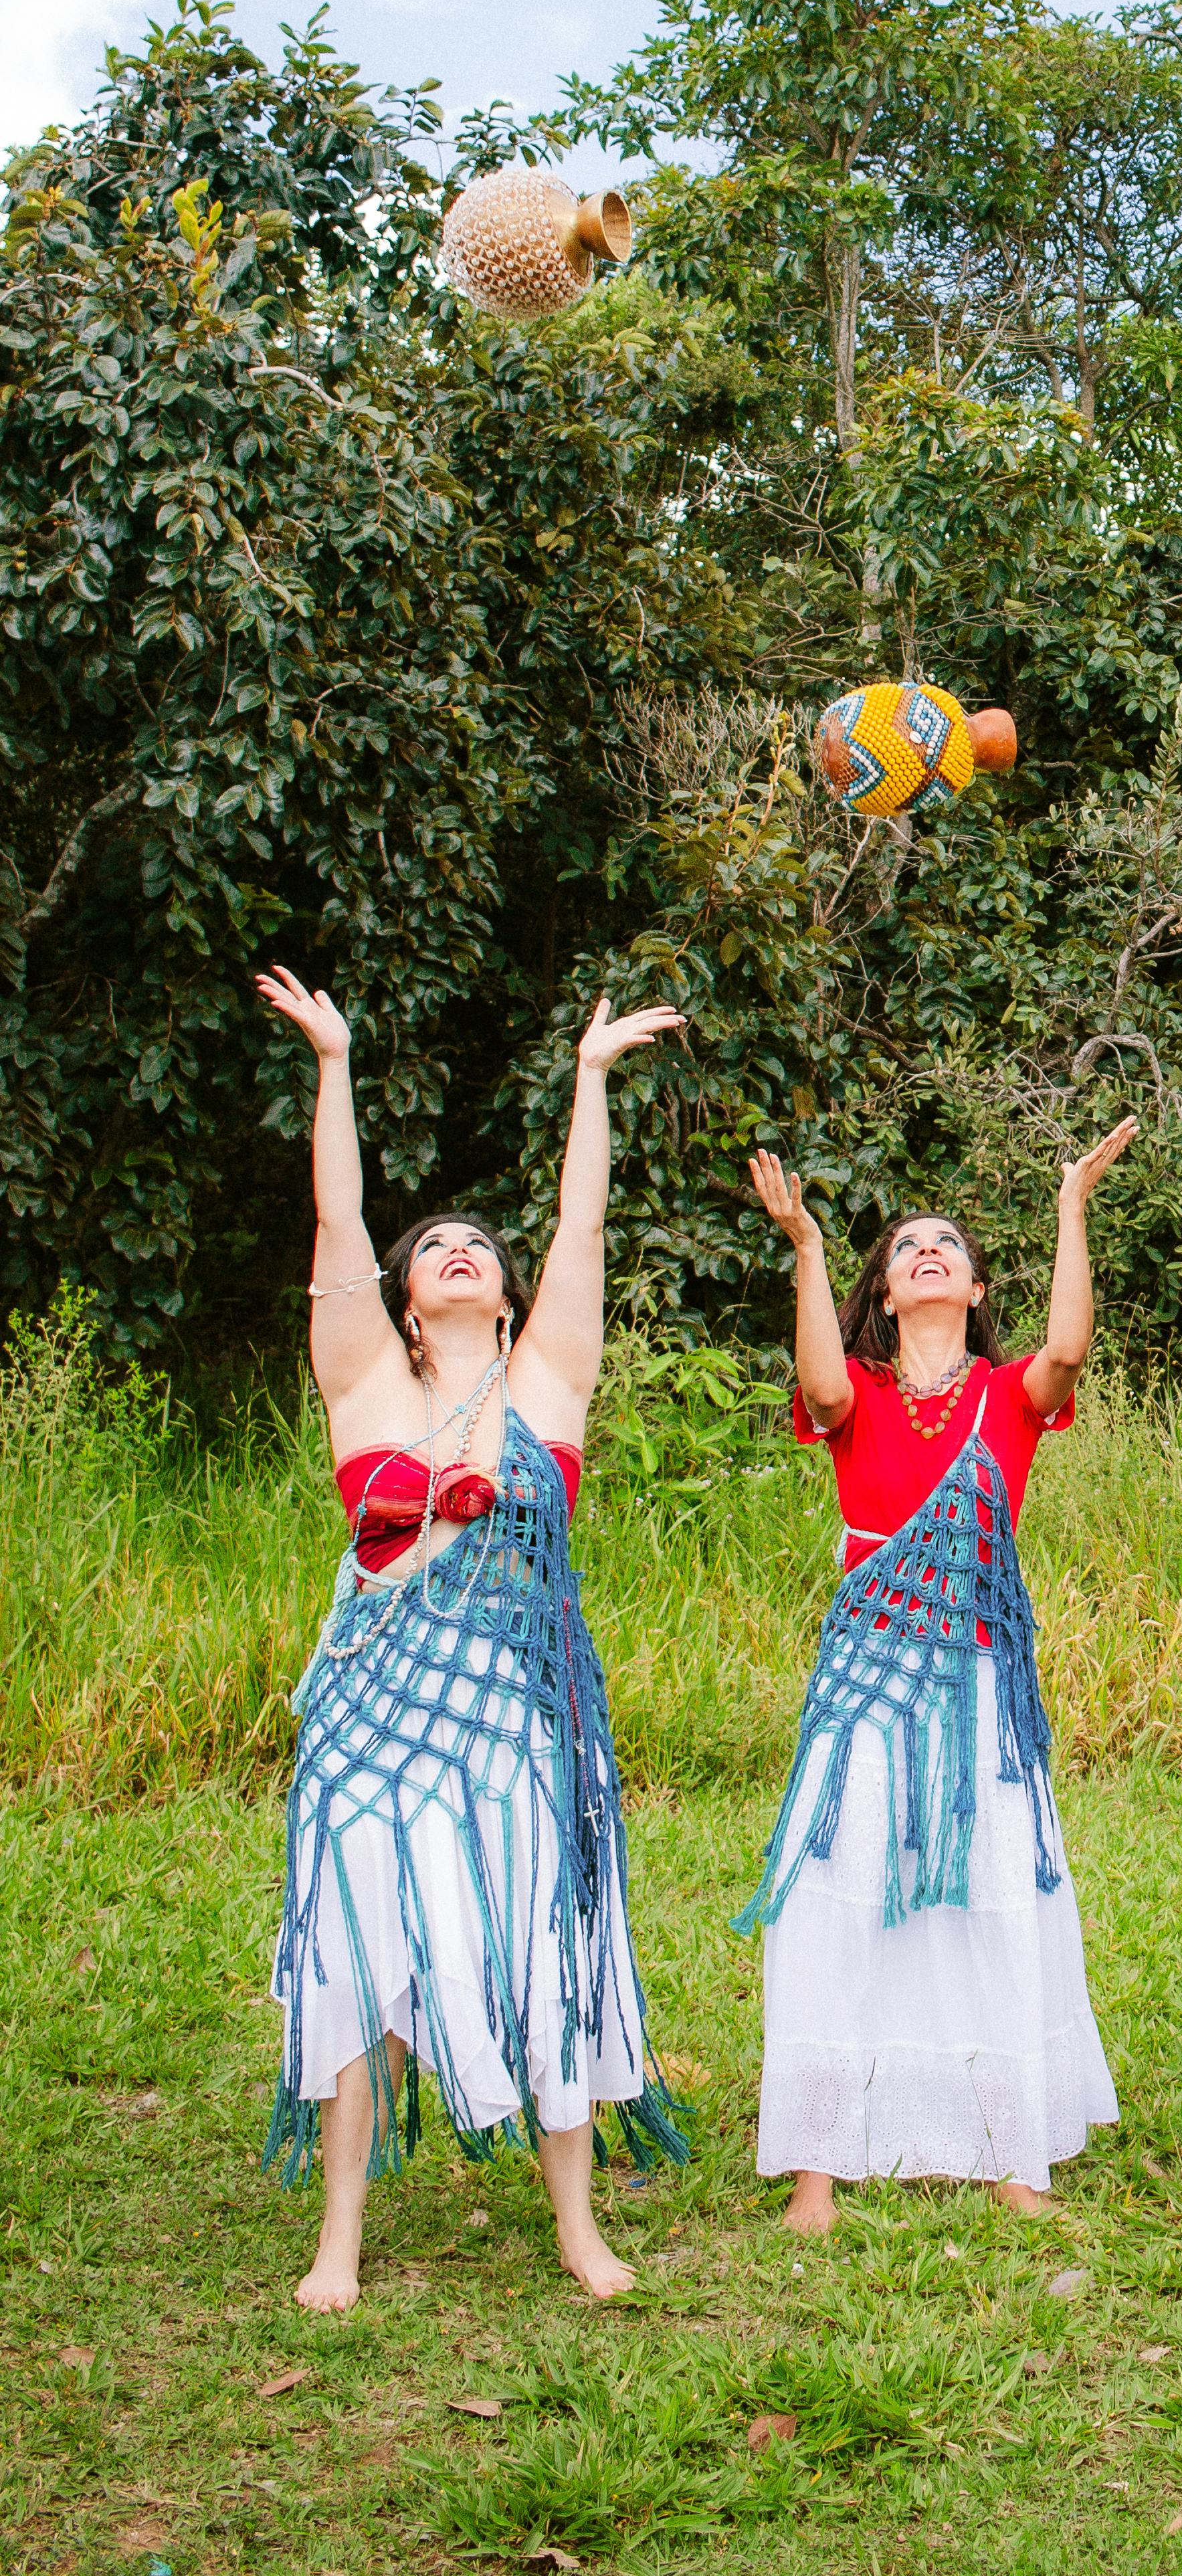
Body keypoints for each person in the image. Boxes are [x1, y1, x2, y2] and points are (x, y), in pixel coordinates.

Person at [254, 965, 690, 2315]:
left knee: (544, 1951)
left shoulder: (547, 1381)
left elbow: (582, 1222)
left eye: (477, 1250)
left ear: (502, 1300)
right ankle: (339, 2241)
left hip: (516, 1715)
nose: (455, 1249)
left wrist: (592, 1077)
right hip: (376, 1716)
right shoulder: (366, 1384)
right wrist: (333, 1062)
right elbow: (337, 1219)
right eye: (430, 1245)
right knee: (362, 1965)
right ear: (400, 1299)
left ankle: (575, 2227)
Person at [738, 1126, 1137, 2232]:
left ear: (969, 1286)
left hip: (978, 1679)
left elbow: (1069, 1348)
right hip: (871, 1676)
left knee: (996, 1899)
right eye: (905, 1245)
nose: (925, 1251)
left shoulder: (1014, 1395)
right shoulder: (861, 1389)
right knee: (843, 1894)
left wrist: (1071, 1206)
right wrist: (809, 1245)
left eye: (946, 1244)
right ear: (885, 1288)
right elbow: (818, 1389)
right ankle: (818, 2168)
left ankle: (1012, 2155)